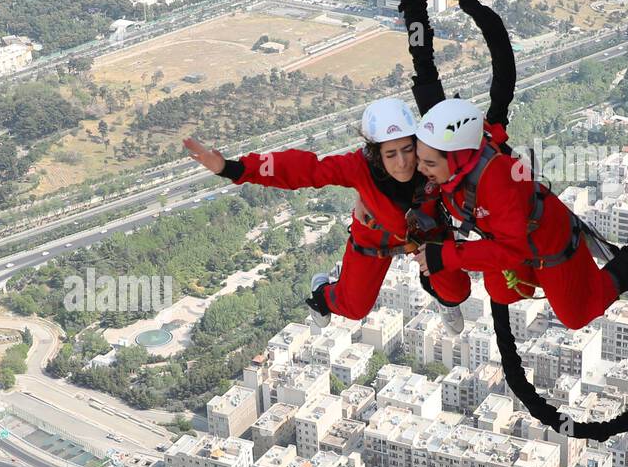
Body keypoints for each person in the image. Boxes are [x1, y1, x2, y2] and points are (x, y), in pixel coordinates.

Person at [183, 98, 470, 332]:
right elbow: (303, 170)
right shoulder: (359, 168)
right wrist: (231, 168)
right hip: (374, 237)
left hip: (427, 236)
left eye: (408, 149)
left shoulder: (432, 154)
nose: (404, 162)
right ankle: (323, 293)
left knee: (456, 291)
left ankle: (438, 291)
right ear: (375, 153)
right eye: (391, 153)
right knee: (354, 308)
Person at [409, 96, 628, 330]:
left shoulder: (497, 180)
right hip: (508, 234)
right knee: (504, 292)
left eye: (430, 163)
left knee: (577, 314)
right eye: (421, 159)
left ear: (457, 158)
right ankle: (575, 273)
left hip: (548, 239)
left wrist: (446, 256)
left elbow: (511, 252)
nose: (421, 168)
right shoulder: (452, 174)